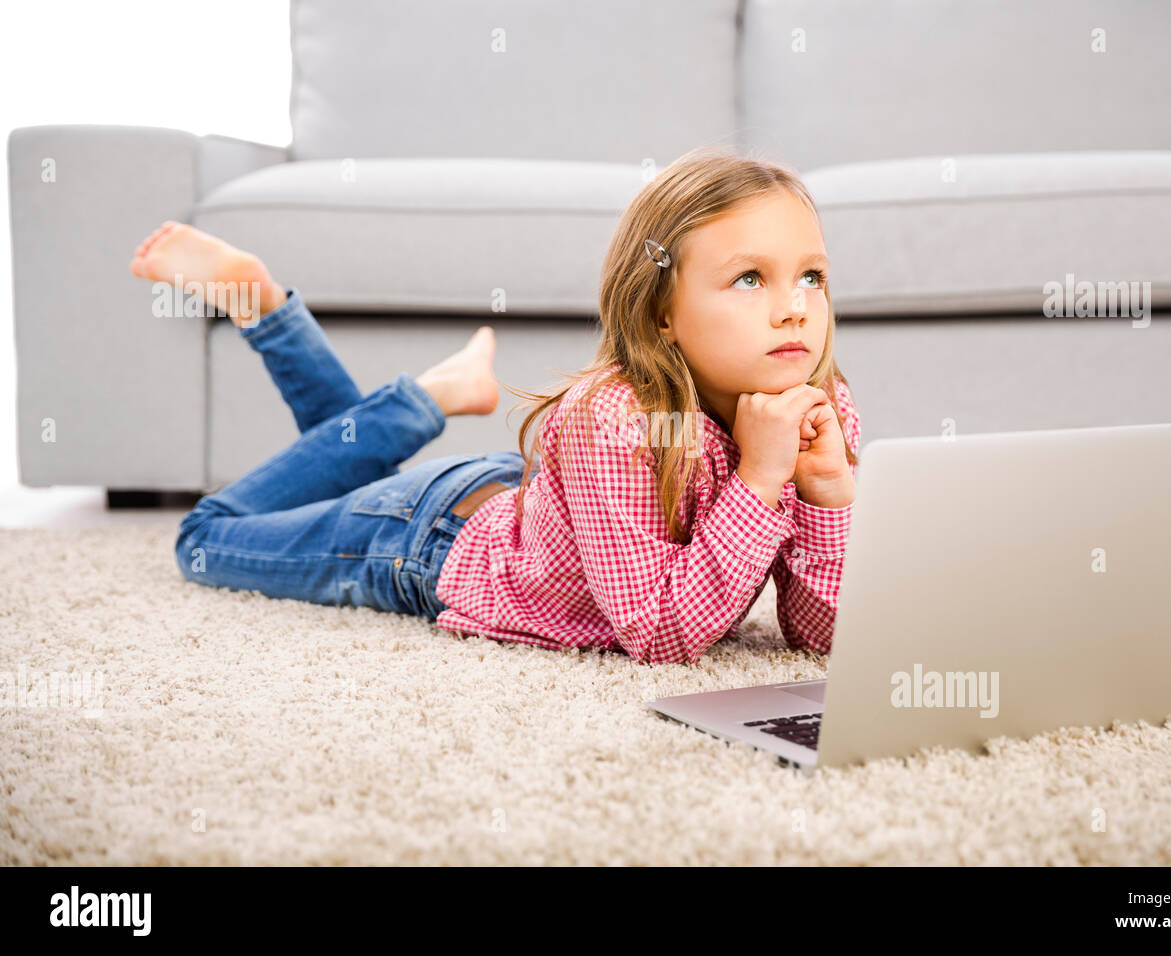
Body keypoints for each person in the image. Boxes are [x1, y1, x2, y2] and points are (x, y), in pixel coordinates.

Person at [131, 146, 861, 666]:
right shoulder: (610, 417)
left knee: (348, 475)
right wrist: (761, 482)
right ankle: (418, 394)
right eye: (748, 280)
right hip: (425, 541)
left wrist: (827, 494)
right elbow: (659, 635)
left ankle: (316, 340)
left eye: (811, 277)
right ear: (661, 311)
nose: (794, 309)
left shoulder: (818, 409)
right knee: (205, 537)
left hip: (520, 501)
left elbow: (816, 634)